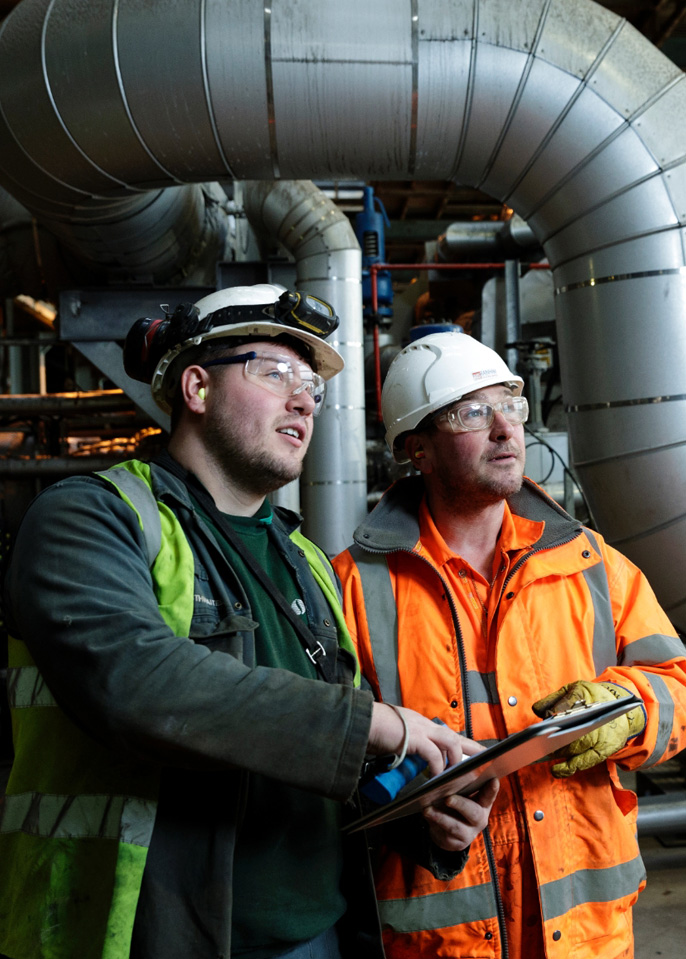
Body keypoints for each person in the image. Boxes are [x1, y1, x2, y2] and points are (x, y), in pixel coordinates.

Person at [0, 286, 497, 959]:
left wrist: (420, 816)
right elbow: (135, 679)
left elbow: (322, 765)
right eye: (276, 373)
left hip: (324, 932)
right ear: (197, 387)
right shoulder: (91, 518)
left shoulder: (307, 561)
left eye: (313, 389)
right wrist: (381, 722)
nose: (303, 401)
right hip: (155, 937)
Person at [333, 330, 686, 959]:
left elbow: (678, 683)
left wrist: (627, 709)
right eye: (472, 411)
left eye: (510, 406)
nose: (506, 430)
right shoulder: (351, 587)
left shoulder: (592, 565)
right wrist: (414, 814)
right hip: (445, 944)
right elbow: (329, 750)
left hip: (590, 940)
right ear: (418, 448)